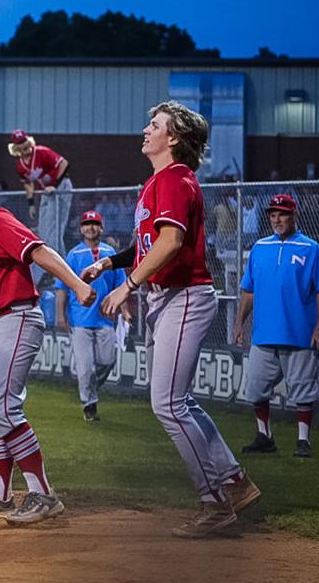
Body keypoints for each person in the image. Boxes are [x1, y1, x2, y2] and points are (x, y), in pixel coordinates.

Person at [87, 101, 260, 539]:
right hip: (167, 298)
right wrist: (110, 264)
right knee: (179, 401)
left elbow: (171, 242)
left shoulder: (176, 178)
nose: (146, 130)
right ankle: (234, 482)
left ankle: (214, 502)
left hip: (184, 296)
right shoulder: (159, 181)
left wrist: (127, 286)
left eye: (155, 125)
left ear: (175, 137)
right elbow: (148, 246)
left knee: (167, 404)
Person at [0, 153, 94, 525]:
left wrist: (76, 285)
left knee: (4, 410)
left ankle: (43, 494)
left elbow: (37, 250)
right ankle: (0, 495)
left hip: (15, 318)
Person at [232, 194, 319, 458]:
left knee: (303, 390)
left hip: (299, 333)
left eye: (282, 214)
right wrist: (239, 323)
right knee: (255, 388)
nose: (277, 219)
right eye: (273, 214)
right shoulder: (260, 247)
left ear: (295, 215)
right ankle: (265, 436)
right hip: (264, 333)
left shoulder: (311, 248)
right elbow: (248, 290)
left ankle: (303, 440)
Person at [56, 210, 127, 422]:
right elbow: (62, 287)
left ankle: (89, 387)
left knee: (108, 360)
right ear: (81, 229)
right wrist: (60, 315)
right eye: (87, 224)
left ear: (101, 228)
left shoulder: (109, 253)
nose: (91, 227)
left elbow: (121, 284)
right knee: (86, 367)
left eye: (95, 223)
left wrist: (125, 311)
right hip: (80, 318)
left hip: (105, 316)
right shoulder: (73, 255)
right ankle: (89, 404)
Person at [8, 129, 73, 271]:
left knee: (56, 230)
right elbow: (28, 184)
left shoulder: (41, 152)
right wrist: (31, 203)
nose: (24, 145)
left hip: (60, 187)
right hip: (46, 191)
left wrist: (54, 184)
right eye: (19, 143)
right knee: (44, 231)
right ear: (15, 147)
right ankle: (52, 268)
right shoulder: (20, 164)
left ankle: (64, 268)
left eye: (24, 141)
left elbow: (63, 164)